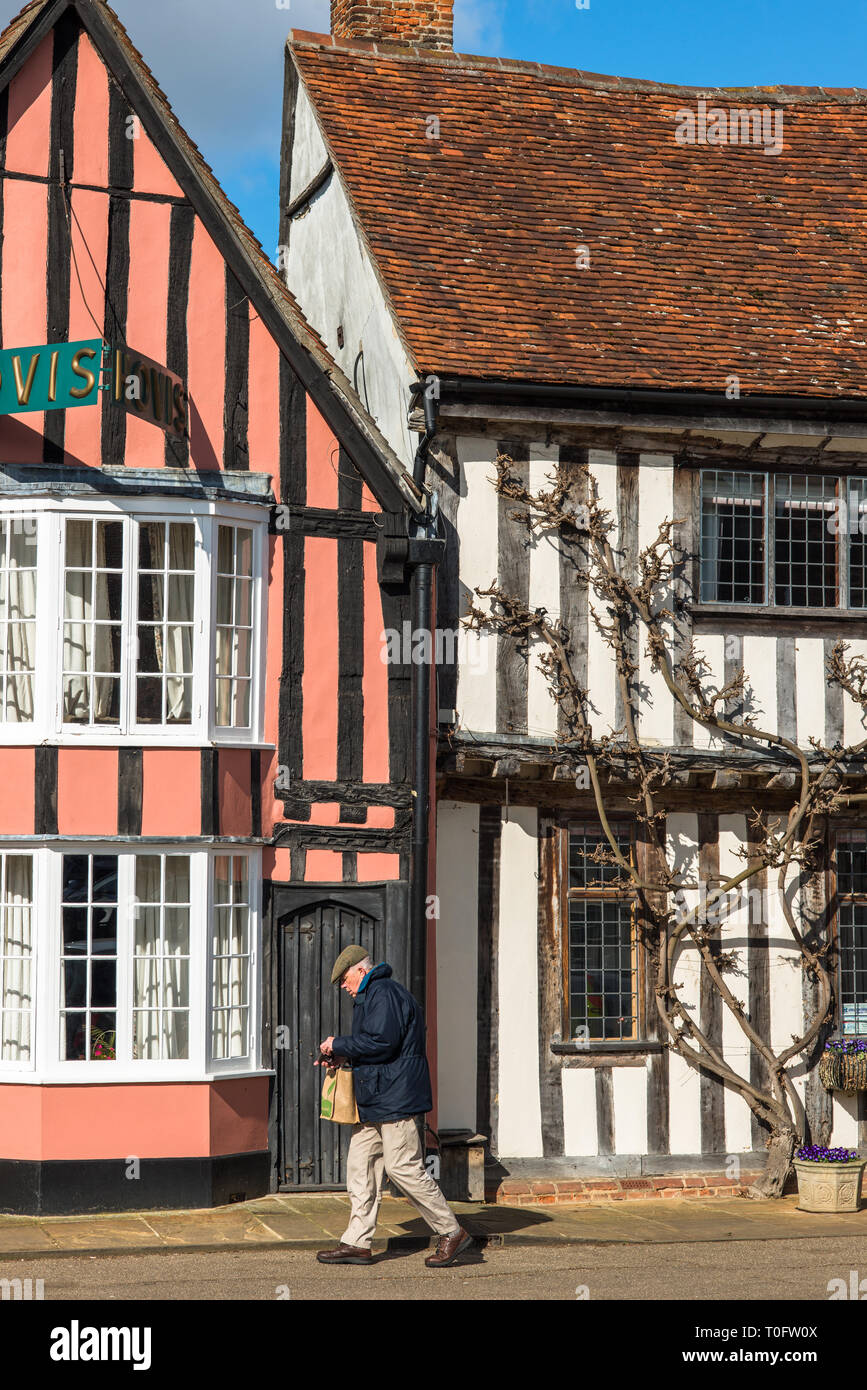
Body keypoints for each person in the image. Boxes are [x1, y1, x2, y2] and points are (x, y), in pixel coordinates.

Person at [316, 944, 473, 1268]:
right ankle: (357, 1243)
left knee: (403, 1168)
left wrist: (338, 1043)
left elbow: (382, 1042)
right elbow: (379, 1045)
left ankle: (452, 1231)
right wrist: (343, 1055)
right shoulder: (372, 995)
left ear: (361, 970)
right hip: (377, 1099)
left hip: (396, 1098)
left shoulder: (383, 992)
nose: (343, 987)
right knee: (361, 1167)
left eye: (345, 979)